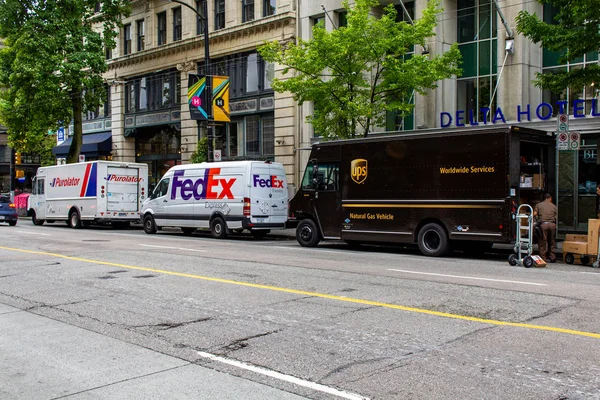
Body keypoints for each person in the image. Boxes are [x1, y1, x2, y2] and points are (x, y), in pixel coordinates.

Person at [533, 193, 557, 262]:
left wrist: (536, 220)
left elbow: (535, 214)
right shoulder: (554, 207)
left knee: (542, 242)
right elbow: (556, 217)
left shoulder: (539, 205)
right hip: (552, 225)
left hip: (543, 225)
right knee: (552, 242)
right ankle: (552, 257)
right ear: (550, 198)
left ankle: (543, 258)